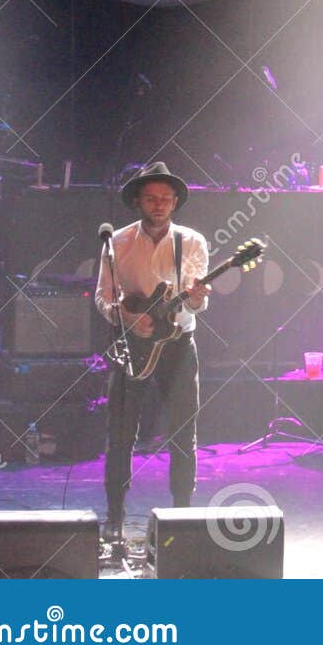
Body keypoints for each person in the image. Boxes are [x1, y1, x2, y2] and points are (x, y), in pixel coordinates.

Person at [95, 162, 210, 539]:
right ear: (138, 202)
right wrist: (128, 320)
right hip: (132, 346)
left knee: (183, 433)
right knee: (121, 434)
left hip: (177, 346)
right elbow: (103, 297)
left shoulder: (192, 242)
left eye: (166, 198)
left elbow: (194, 307)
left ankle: (182, 518)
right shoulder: (118, 242)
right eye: (151, 198)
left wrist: (195, 300)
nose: (159, 204)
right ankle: (115, 517)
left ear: (175, 201)